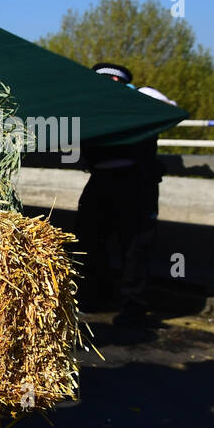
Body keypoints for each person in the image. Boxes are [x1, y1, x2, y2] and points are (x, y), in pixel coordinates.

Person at [76, 62, 165, 328]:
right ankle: (94, 297)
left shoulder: (142, 97)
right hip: (100, 180)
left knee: (135, 246)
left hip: (136, 182)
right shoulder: (92, 107)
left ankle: (133, 308)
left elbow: (167, 107)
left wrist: (130, 93)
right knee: (89, 241)